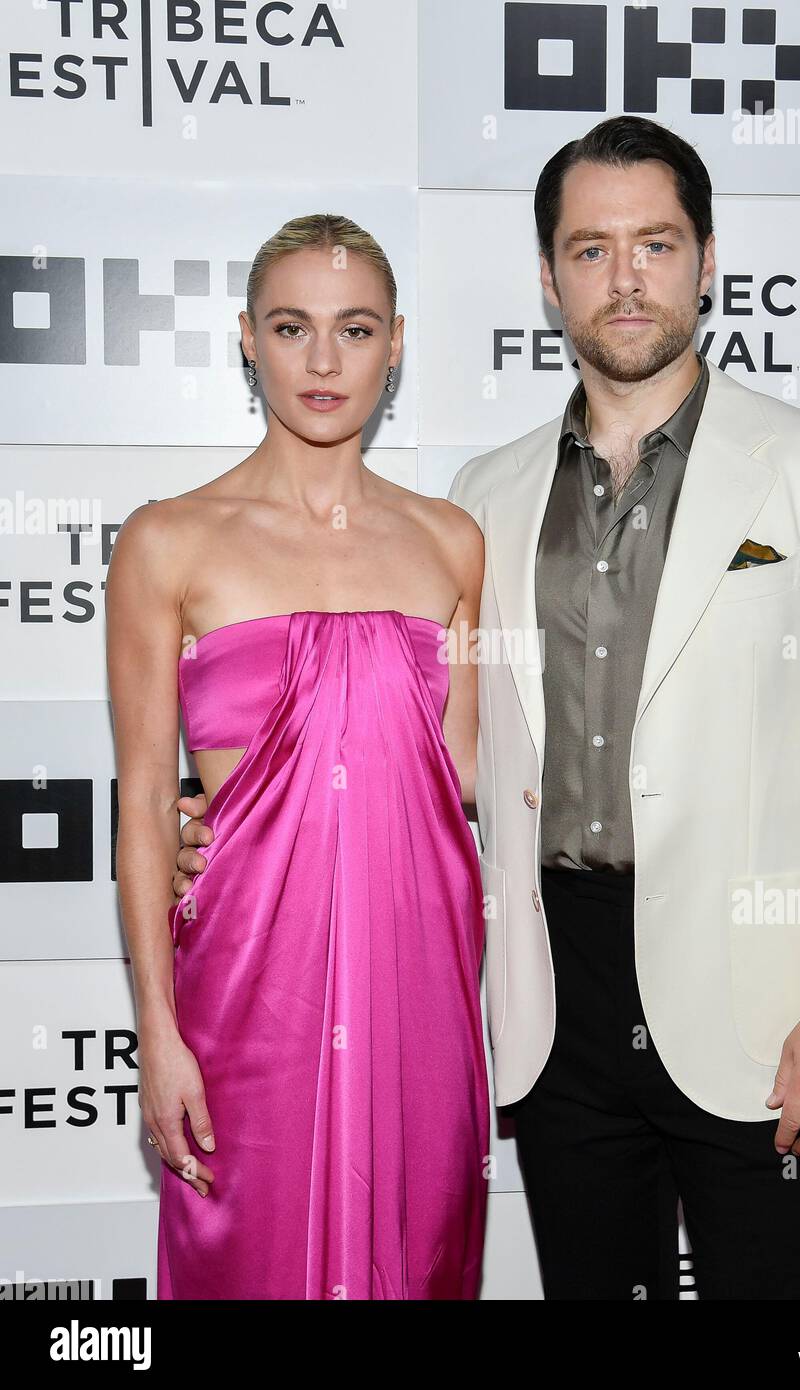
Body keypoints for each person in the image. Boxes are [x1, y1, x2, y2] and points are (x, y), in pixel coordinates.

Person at [175, 118, 800, 1301]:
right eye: (589, 250)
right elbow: (438, 754)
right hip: (547, 1003)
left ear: (705, 260)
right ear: (547, 277)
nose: (623, 277)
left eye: (654, 245)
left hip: (762, 1011)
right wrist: (224, 814)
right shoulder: (486, 494)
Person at [108, 213, 489, 1300]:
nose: (324, 362)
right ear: (246, 339)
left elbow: (455, 784)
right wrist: (156, 1029)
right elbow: (141, 802)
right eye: (292, 327)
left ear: (397, 343)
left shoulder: (449, 541)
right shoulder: (168, 539)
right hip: (246, 990)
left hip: (418, 987)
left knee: (415, 1260)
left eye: (355, 329)